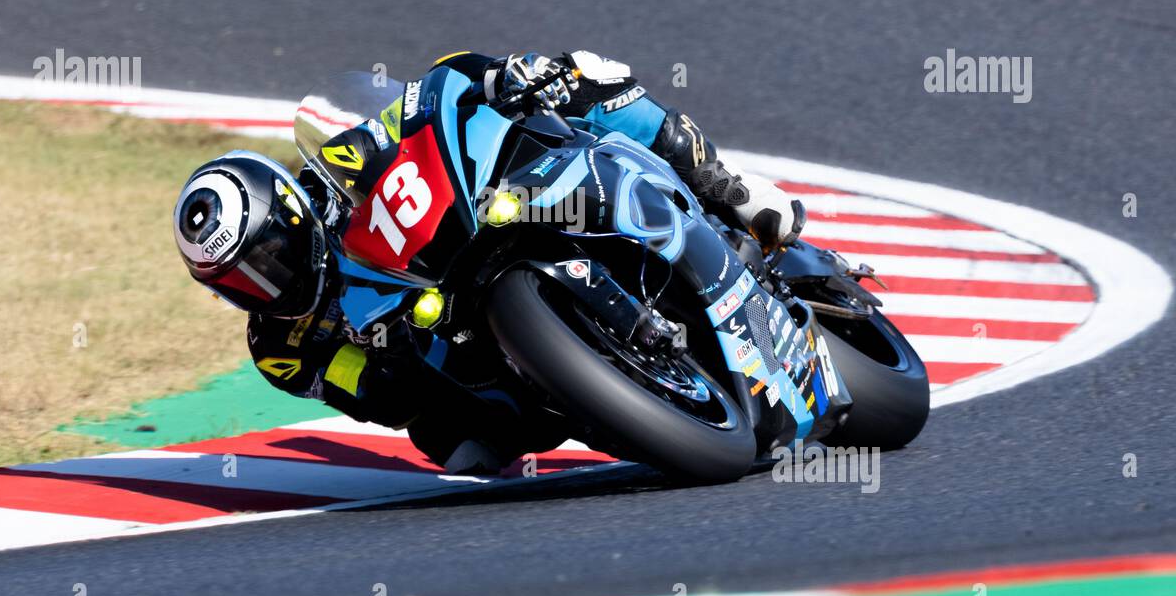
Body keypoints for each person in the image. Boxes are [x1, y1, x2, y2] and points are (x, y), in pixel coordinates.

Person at [173, 51, 806, 473]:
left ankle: (731, 190)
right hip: (444, 340)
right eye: (242, 283)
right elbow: (374, 397)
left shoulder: (334, 173)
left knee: (586, 78)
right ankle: (622, 399)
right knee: (460, 449)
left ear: (289, 214)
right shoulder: (279, 346)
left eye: (266, 259)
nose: (267, 283)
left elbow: (423, 96)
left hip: (471, 223)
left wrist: (501, 77)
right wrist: (385, 361)